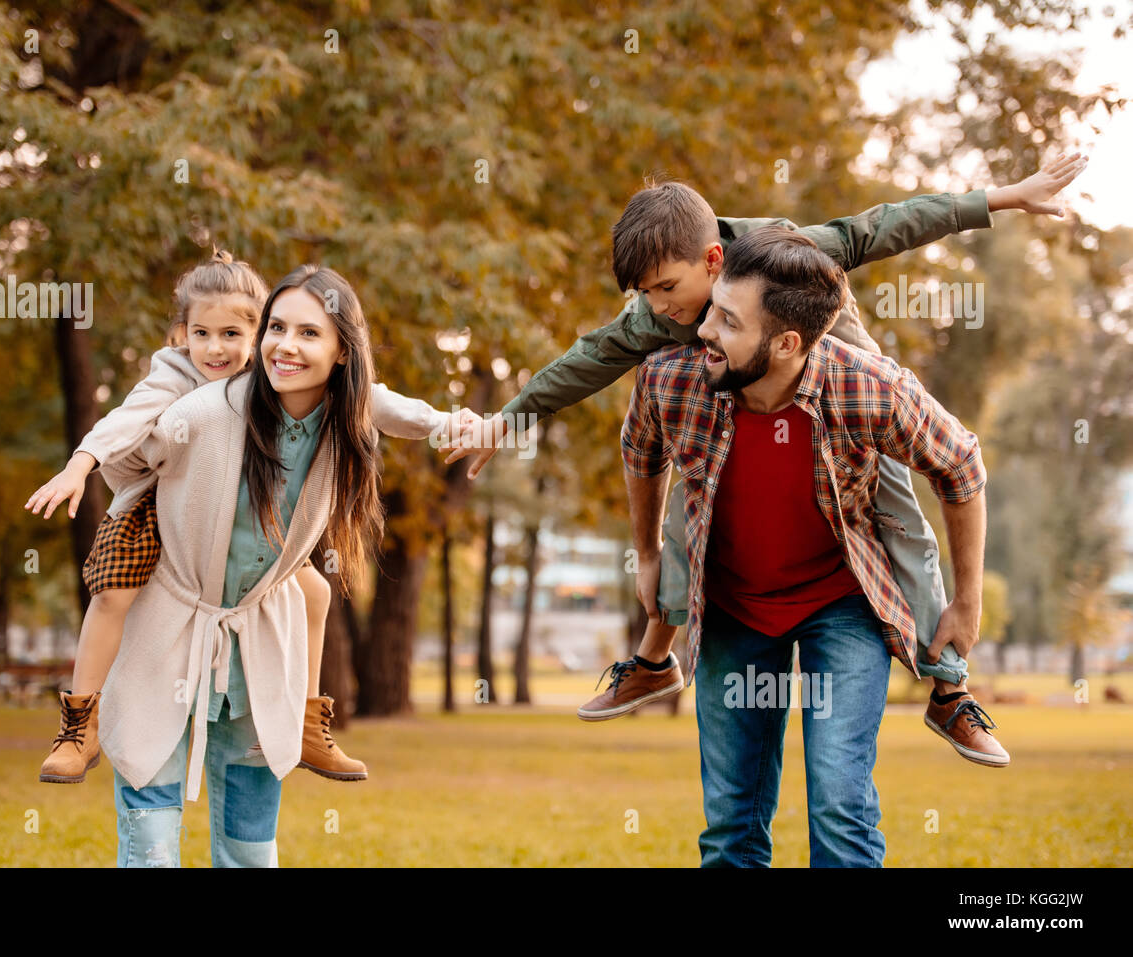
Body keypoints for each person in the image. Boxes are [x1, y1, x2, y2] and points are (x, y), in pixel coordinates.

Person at [443, 154, 1085, 761]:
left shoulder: (783, 253)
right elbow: (586, 360)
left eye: (666, 287)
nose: (660, 307)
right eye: (646, 293)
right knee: (689, 511)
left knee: (902, 526)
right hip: (737, 414)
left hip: (850, 417)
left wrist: (1004, 198)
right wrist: (506, 420)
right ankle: (653, 661)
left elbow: (885, 225)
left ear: (713, 260)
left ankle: (950, 689)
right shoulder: (654, 315)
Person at [622, 226, 993, 865]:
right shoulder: (672, 380)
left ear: (787, 343)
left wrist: (967, 600)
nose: (705, 330)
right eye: (713, 310)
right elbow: (640, 450)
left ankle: (950, 695)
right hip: (733, 607)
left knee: (840, 804)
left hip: (843, 606)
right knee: (730, 823)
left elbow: (960, 465)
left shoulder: (867, 386)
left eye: (729, 322)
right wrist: (650, 551)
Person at [27, 252, 471, 785]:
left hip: (232, 514)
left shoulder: (270, 376)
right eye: (201, 334)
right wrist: (80, 465)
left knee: (315, 592)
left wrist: (449, 423)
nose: (216, 348)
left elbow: (378, 402)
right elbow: (125, 421)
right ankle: (80, 724)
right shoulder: (174, 375)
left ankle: (308, 724)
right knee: (112, 595)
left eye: (233, 334)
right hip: (158, 503)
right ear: (182, 334)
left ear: (256, 331)